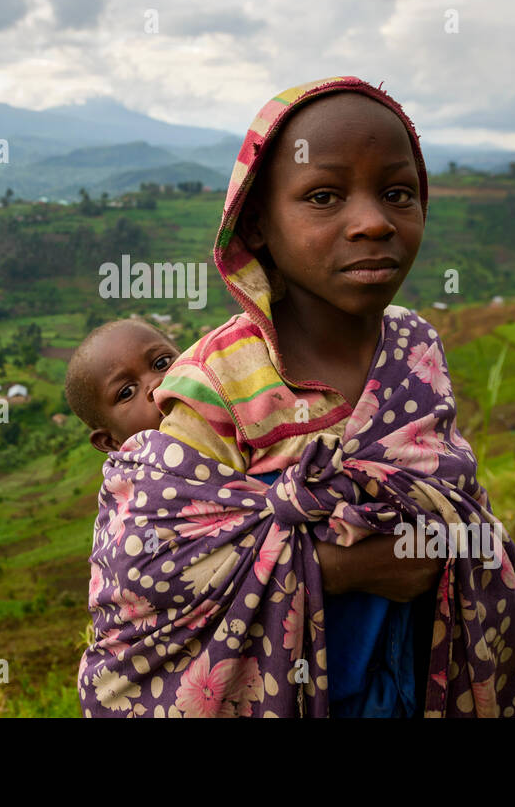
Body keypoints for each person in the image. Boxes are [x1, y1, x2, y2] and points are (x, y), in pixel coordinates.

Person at [152, 77, 444, 717]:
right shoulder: (216, 386)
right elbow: (156, 566)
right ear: (257, 224)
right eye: (323, 196)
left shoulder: (416, 349)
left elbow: (446, 491)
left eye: (398, 193)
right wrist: (354, 566)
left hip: (403, 678)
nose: (373, 222)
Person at [64, 318, 180, 453]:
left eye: (162, 363)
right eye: (127, 392)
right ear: (111, 442)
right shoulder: (138, 475)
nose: (157, 383)